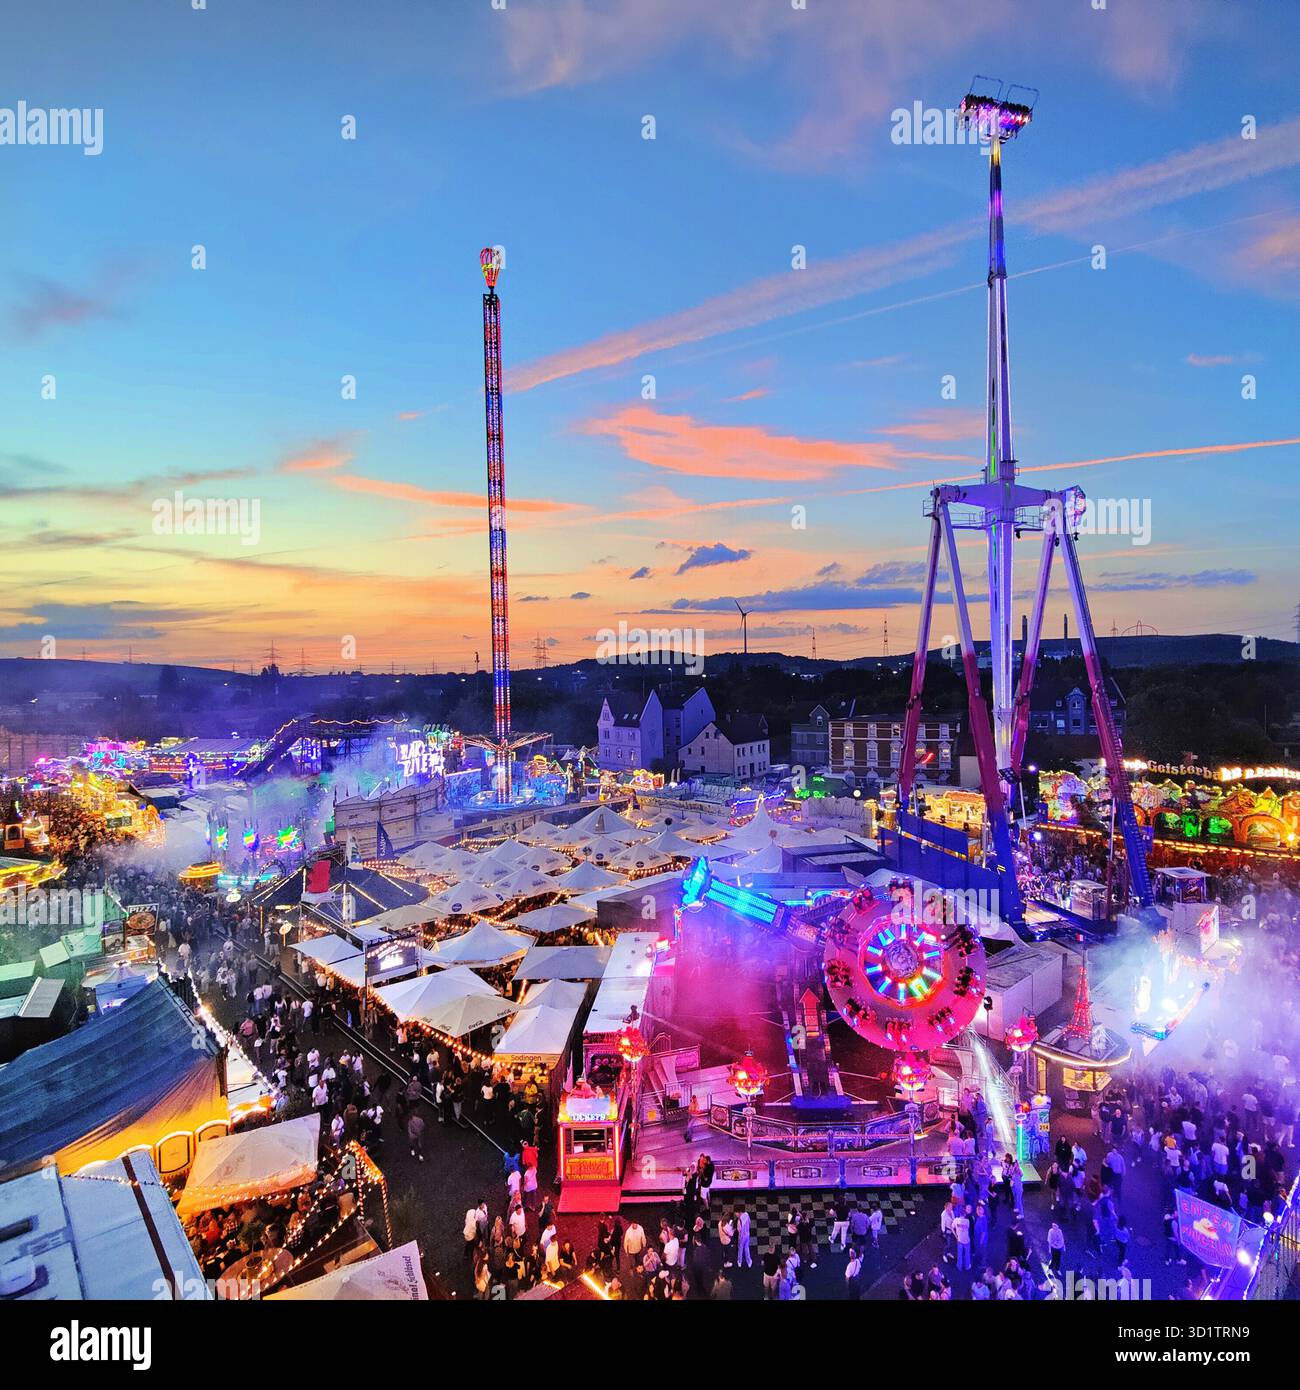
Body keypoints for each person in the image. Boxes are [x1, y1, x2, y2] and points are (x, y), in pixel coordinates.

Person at [736, 1202, 752, 1269]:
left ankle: (740, 1261)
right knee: (746, 1248)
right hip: (747, 1234)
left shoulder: (739, 1221)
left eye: (736, 1212)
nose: (735, 1214)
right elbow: (750, 1222)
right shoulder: (746, 1214)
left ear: (739, 1212)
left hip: (741, 1237)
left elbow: (738, 1230)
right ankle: (749, 1262)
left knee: (740, 1248)